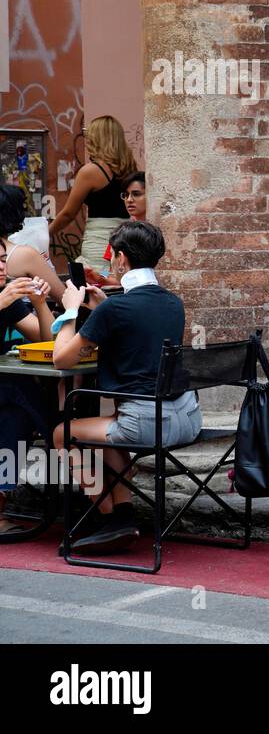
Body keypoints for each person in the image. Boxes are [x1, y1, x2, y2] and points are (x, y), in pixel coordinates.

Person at [49, 221, 203, 555]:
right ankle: (123, 514)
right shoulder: (173, 303)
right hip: (187, 419)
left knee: (63, 433)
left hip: (147, 424)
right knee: (106, 427)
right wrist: (104, 306)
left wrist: (72, 309)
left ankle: (109, 518)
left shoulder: (114, 309)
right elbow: (139, 333)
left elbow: (62, 358)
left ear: (120, 259)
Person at [0, 191, 55, 532]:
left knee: (15, 413)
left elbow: (44, 339)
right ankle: (63, 437)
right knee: (19, 392)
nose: (2, 265)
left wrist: (39, 303)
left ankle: (1, 500)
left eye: (4, 258)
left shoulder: (10, 294)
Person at [49, 115, 138, 276]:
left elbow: (69, 213)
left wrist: (46, 233)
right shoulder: (130, 168)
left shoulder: (90, 171)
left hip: (99, 242)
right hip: (126, 240)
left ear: (97, 139)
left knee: (97, 286)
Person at [88, 171, 147, 287]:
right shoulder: (120, 233)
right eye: (125, 195)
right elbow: (109, 270)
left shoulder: (157, 233)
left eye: (136, 194)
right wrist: (101, 277)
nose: (129, 199)